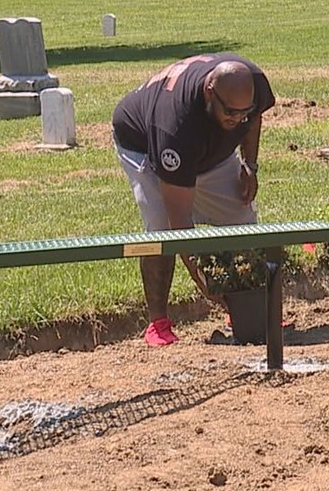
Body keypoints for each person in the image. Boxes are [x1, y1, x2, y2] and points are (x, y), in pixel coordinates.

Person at [112, 52, 276, 345]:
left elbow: (253, 119)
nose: (238, 119)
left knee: (242, 219)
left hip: (209, 149)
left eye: (244, 112)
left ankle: (244, 308)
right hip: (144, 145)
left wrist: (250, 166)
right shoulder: (173, 127)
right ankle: (158, 323)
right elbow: (180, 224)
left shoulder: (251, 84)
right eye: (231, 113)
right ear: (209, 92)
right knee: (160, 232)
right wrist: (202, 279)